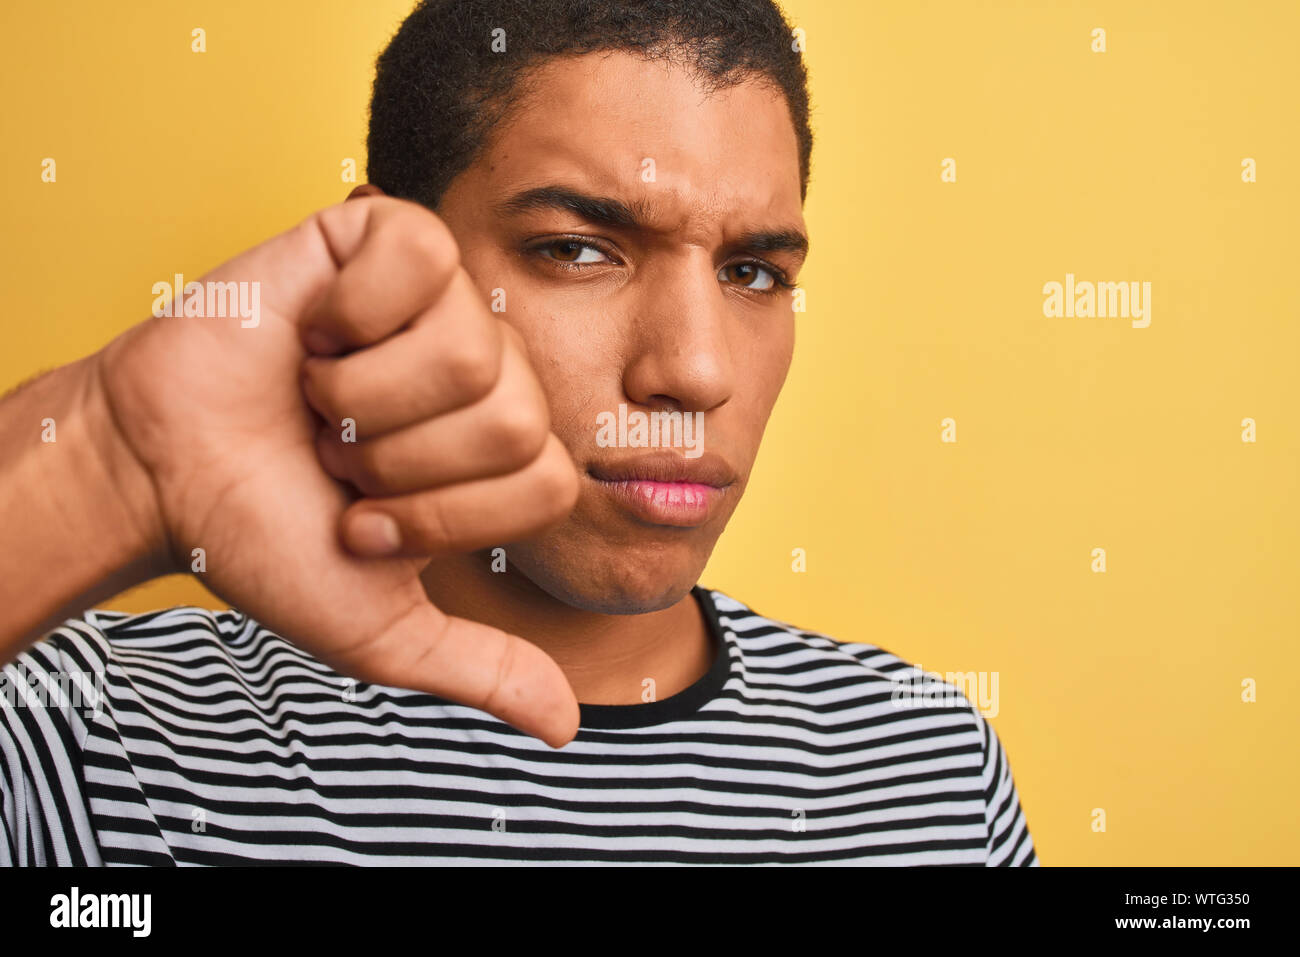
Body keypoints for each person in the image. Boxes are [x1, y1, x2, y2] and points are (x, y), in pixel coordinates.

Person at [0, 0, 1037, 865]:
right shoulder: (94, 742)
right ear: (382, 266)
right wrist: (105, 466)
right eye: (578, 251)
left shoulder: (928, 770)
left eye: (753, 272)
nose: (695, 369)